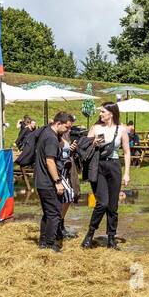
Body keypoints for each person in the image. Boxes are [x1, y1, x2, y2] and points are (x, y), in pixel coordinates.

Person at [80, 102, 131, 249]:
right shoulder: (95, 128)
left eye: (103, 112)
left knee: (113, 206)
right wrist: (92, 143)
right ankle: (90, 234)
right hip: (98, 166)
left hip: (114, 166)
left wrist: (127, 173)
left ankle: (111, 238)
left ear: (111, 113)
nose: (100, 114)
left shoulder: (122, 130)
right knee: (102, 203)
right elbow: (83, 146)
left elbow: (127, 153)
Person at [33, 112, 74, 251]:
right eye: (67, 127)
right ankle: (50, 245)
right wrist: (57, 181)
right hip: (48, 182)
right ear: (58, 123)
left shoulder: (46, 133)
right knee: (55, 214)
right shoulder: (51, 138)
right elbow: (50, 161)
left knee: (48, 213)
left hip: (41, 181)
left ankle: (43, 243)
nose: (68, 130)